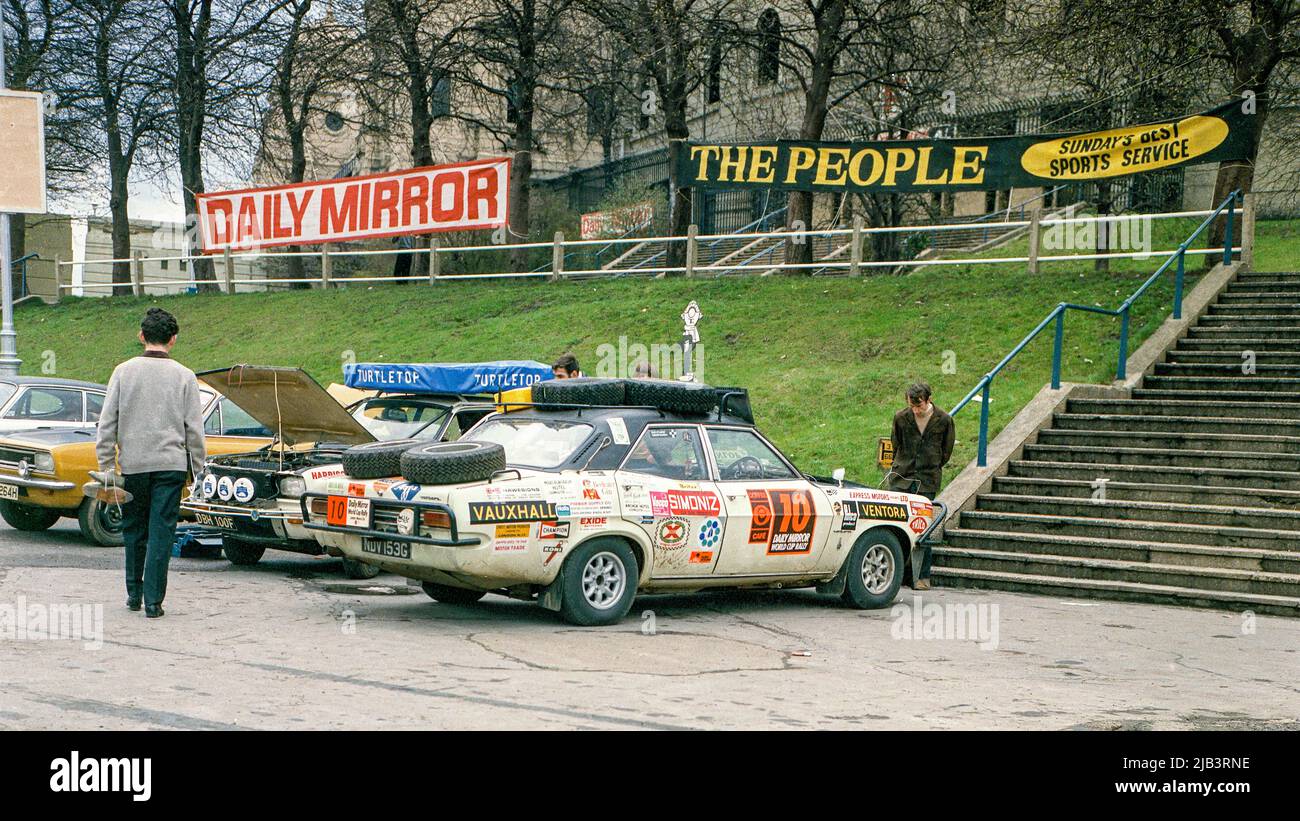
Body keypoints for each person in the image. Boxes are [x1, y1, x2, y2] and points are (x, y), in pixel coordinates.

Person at [95, 308, 207, 619]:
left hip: (134, 464)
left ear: (141, 336)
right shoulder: (185, 376)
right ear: (173, 340)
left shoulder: (123, 372)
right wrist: (199, 470)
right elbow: (194, 430)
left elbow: (107, 424)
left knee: (134, 531)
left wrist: (107, 466)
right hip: (170, 465)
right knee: (162, 531)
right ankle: (154, 602)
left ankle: (134, 594)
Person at [888, 381, 955, 590]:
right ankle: (897, 575)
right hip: (902, 477)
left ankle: (921, 576)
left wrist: (931, 465)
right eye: (912, 406)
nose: (916, 410)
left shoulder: (944, 420)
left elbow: (946, 450)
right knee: (896, 525)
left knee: (923, 528)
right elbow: (895, 443)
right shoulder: (901, 418)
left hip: (927, 479)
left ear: (928, 400)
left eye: (919, 406)